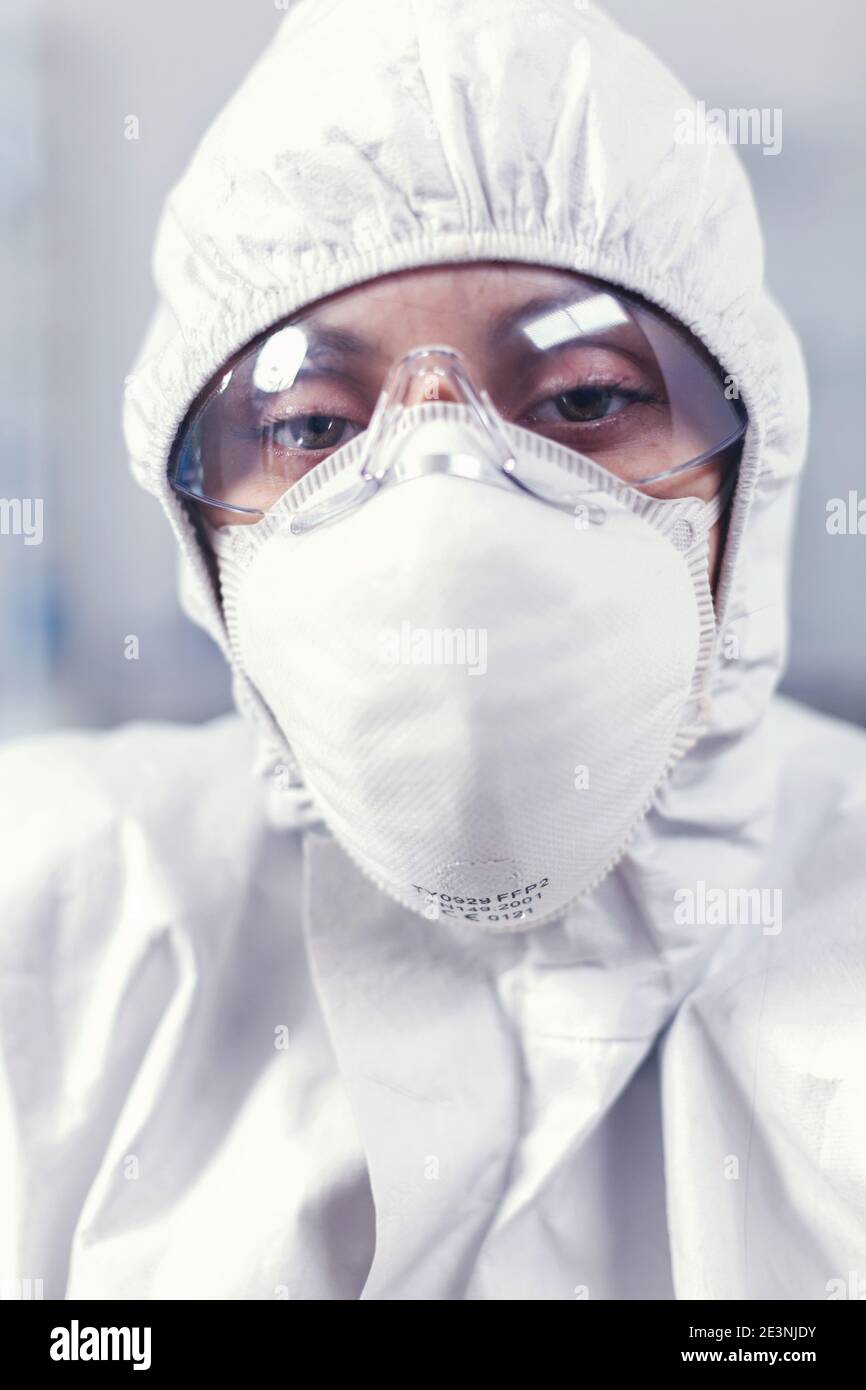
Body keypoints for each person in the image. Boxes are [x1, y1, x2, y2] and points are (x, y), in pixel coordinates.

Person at [2, 0, 865, 1302]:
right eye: (308, 423)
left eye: (580, 399)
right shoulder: (63, 931)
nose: (442, 512)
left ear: (748, 482)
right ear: (199, 525)